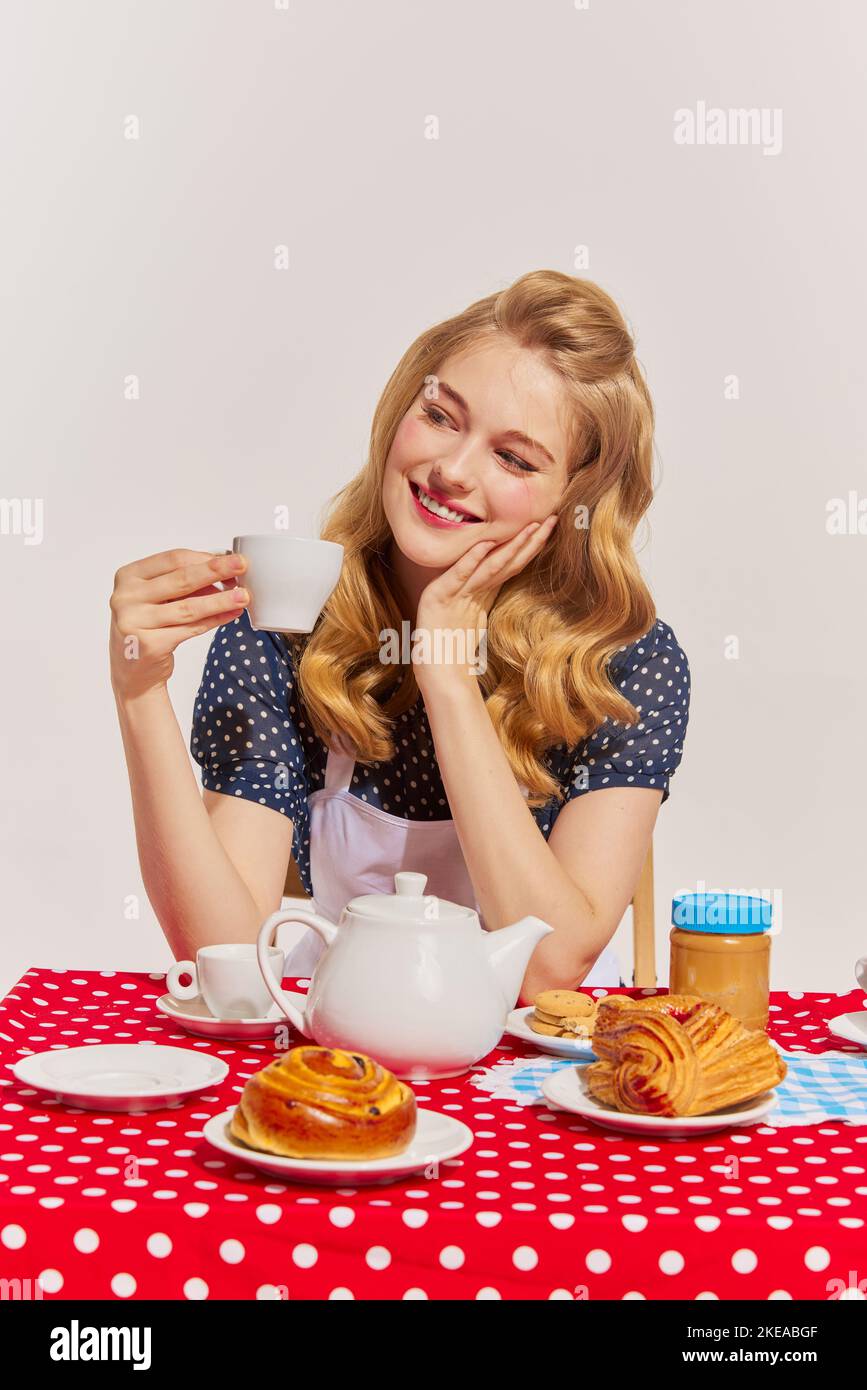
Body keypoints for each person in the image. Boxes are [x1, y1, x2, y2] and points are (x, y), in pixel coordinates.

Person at [110, 270, 690, 1000]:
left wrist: (446, 677)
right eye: (441, 415)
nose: (449, 469)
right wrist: (139, 693)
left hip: (536, 1083)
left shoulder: (625, 661)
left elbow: (546, 972)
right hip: (342, 1061)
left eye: (513, 458)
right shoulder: (286, 633)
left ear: (576, 499)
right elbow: (226, 959)